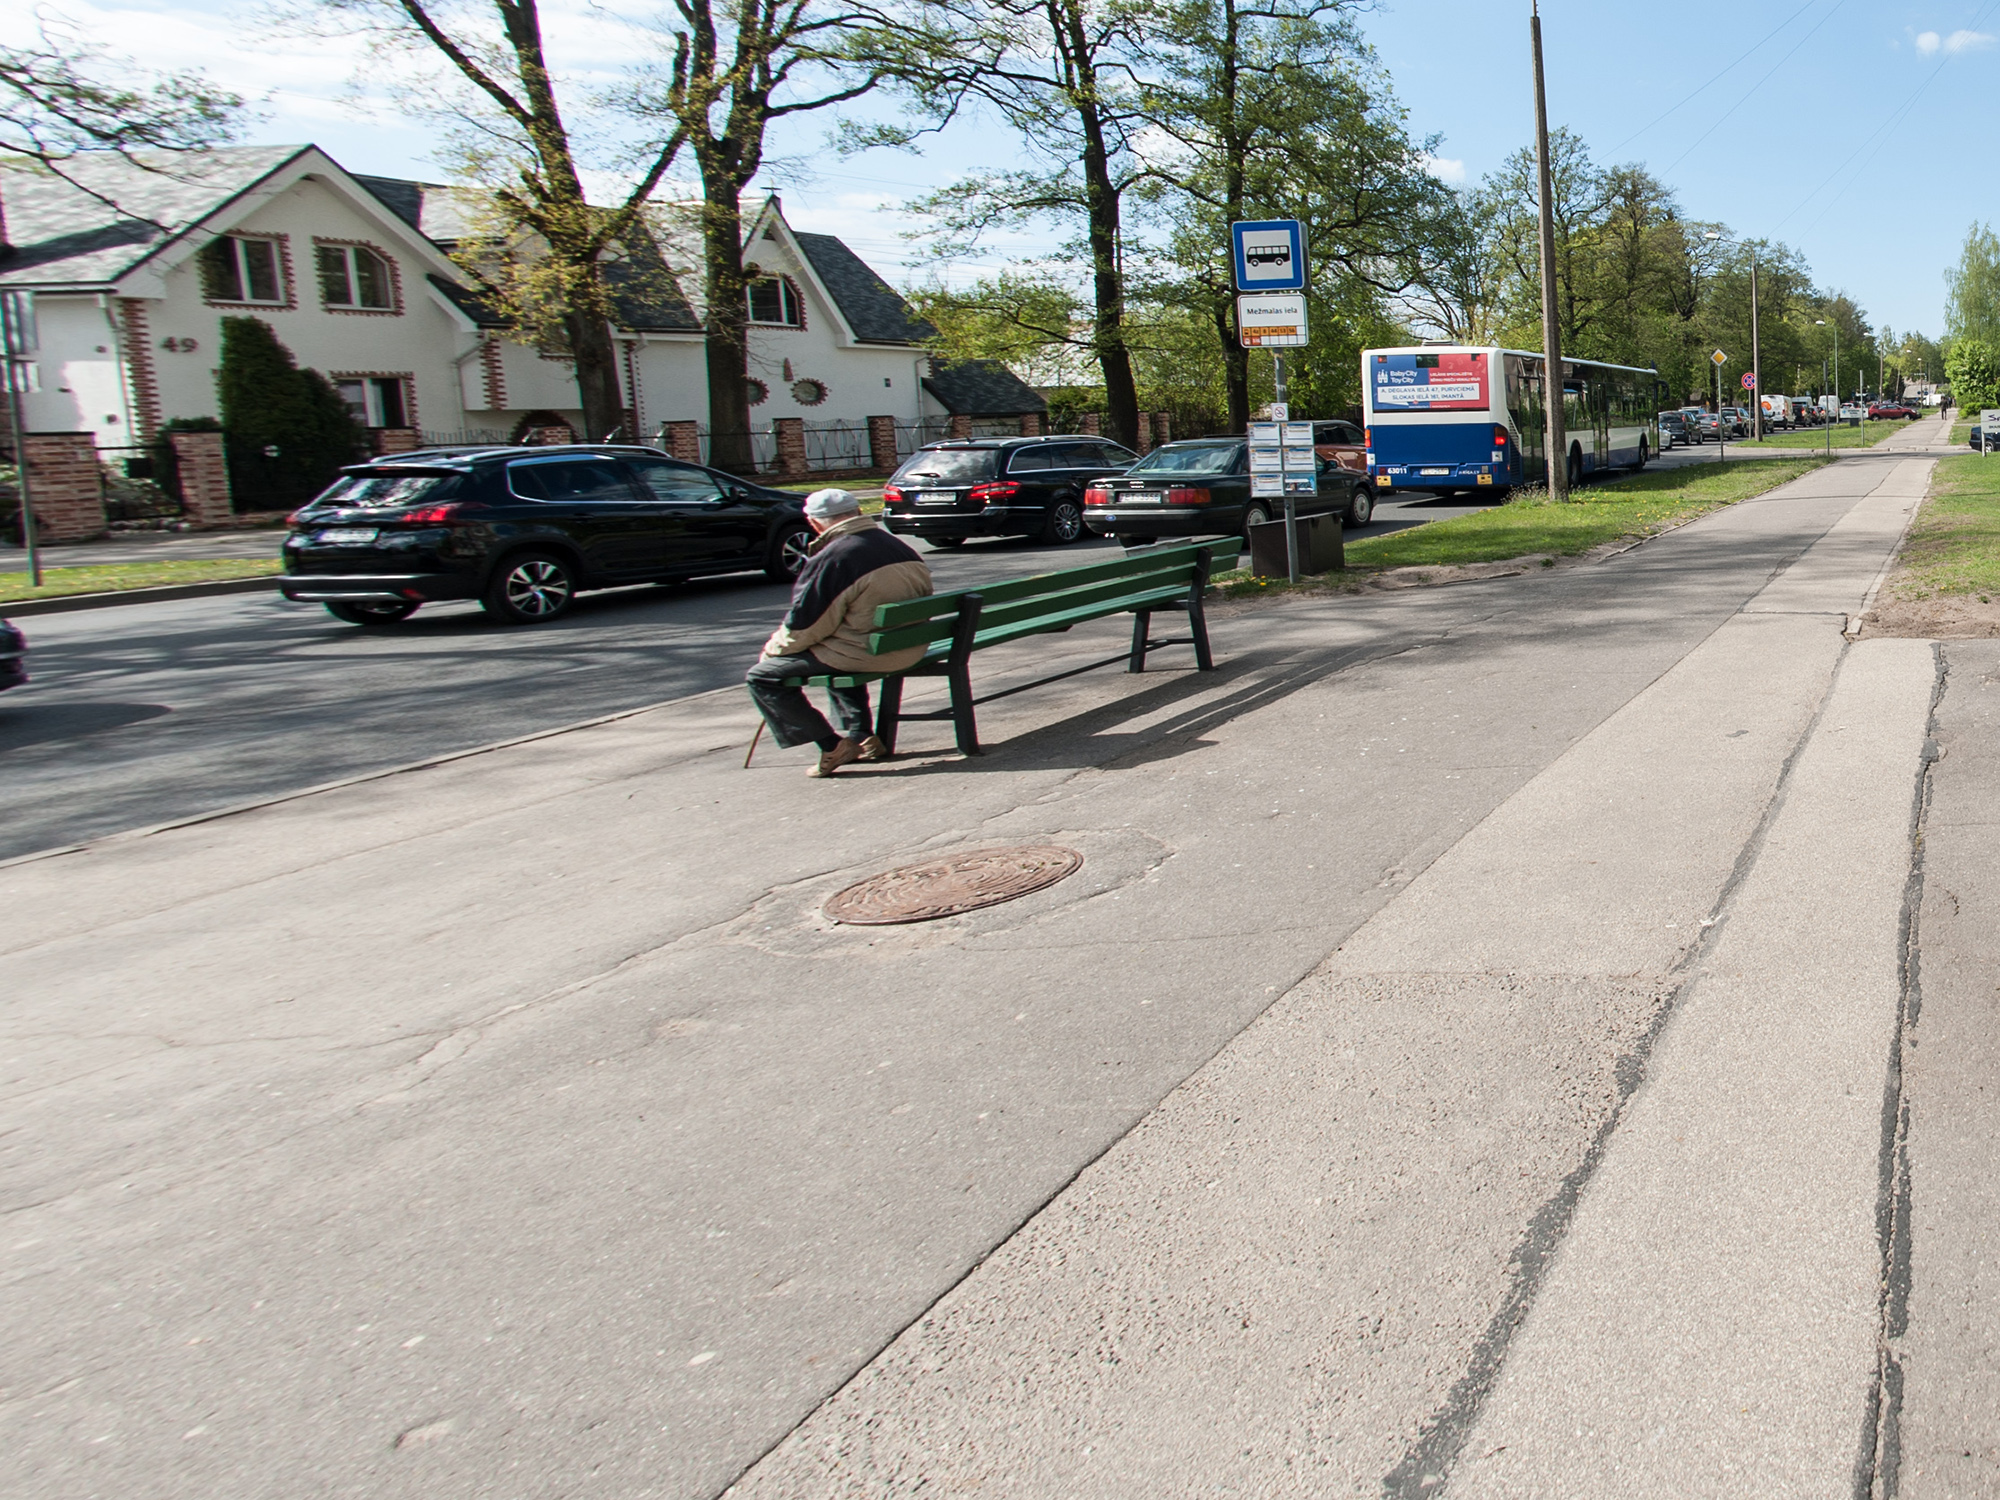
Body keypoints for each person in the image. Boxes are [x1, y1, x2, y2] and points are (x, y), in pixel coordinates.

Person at [747, 487, 934, 777]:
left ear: (814, 522)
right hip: (909, 644)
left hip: (870, 652)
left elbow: (806, 624)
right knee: (836, 647)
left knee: (762, 677)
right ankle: (860, 736)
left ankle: (832, 746)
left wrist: (771, 652)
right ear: (859, 512)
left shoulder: (836, 557)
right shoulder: (896, 545)